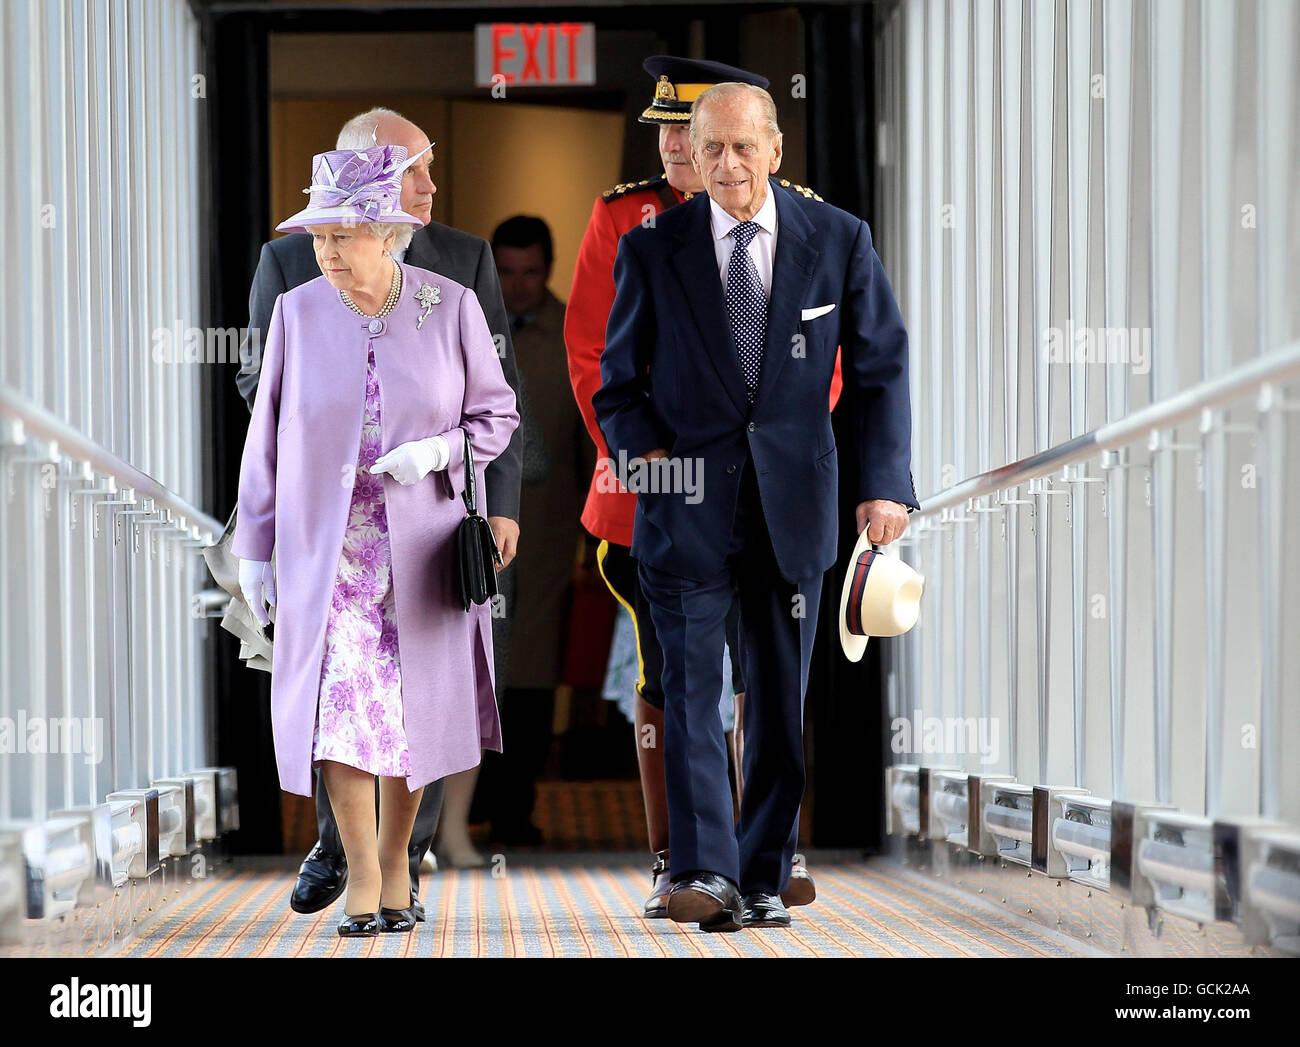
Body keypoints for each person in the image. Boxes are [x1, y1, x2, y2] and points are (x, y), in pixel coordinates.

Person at [593, 83, 917, 932]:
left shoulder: (838, 239)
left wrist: (883, 483)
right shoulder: (652, 247)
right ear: (690, 161)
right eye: (711, 150)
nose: (729, 165)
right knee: (695, 693)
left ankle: (766, 870)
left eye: (744, 147)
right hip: (684, 510)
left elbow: (880, 368)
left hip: (794, 506)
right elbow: (616, 386)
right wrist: (650, 462)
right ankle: (705, 869)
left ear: (775, 150)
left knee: (775, 701)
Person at [236, 108, 524, 920]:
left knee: (411, 714)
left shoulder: (451, 303)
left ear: (387, 232)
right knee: (342, 713)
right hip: (330, 553)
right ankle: (363, 875)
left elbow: (497, 416)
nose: (325, 251)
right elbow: (267, 439)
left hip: (423, 547)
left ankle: (399, 862)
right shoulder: (296, 311)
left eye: (342, 235)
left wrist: (435, 454)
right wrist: (256, 550)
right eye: (318, 235)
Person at [566, 55, 833, 917]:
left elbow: (823, 369)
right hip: (662, 497)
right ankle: (678, 857)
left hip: (769, 491)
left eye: (689, 130)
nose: (676, 147)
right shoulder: (627, 221)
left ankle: (769, 852)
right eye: (668, 131)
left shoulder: (809, 227)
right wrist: (651, 465)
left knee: (770, 673)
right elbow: (593, 359)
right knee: (673, 676)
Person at [471, 216, 589, 847]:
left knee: (533, 675)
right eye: (507, 273)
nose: (518, 287)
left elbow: (589, 445)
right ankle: (464, 810)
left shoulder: (572, 334)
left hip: (544, 535)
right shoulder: (467, 320)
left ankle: (515, 810)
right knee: (470, 666)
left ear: (548, 269)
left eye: (531, 273)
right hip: (470, 530)